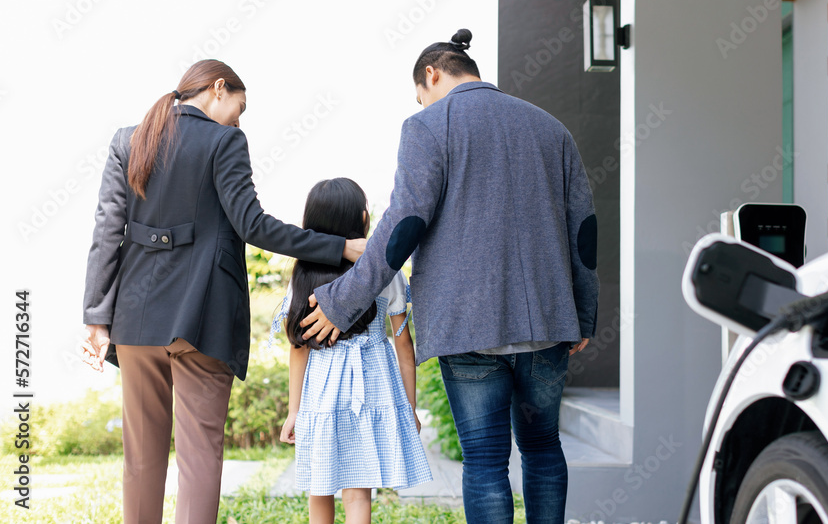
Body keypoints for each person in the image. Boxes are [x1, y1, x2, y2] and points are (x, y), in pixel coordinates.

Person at [298, 29, 599, 524]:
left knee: (485, 461)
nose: (422, 103)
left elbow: (403, 225)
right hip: (547, 322)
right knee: (544, 448)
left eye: (421, 94)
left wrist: (342, 300)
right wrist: (583, 314)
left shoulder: (427, 128)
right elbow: (584, 231)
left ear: (431, 75)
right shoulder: (551, 129)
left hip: (468, 326)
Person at [80, 60, 366, 524]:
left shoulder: (126, 139)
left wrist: (96, 317)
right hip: (202, 319)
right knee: (199, 458)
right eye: (240, 106)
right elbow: (254, 226)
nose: (239, 118)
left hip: (134, 320)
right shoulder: (225, 140)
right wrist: (340, 247)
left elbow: (106, 231)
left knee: (141, 460)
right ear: (218, 88)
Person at [274, 177, 432, 524]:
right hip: (372, 384)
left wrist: (294, 411)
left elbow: (298, 348)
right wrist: (410, 407)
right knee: (359, 490)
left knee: (321, 484)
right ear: (363, 218)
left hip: (321, 391)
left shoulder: (303, 275)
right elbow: (404, 345)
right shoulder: (384, 271)